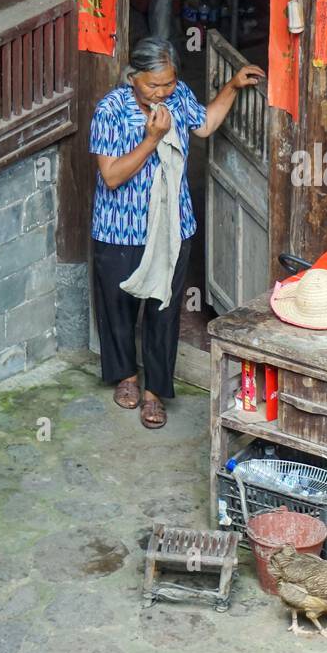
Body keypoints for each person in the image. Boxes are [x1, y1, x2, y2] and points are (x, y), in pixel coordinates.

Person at [89, 36, 264, 429]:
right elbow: (111, 176)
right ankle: (126, 376)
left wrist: (232, 86)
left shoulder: (179, 96)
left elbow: (205, 125)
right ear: (132, 77)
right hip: (119, 227)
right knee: (117, 305)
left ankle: (155, 392)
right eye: (154, 85)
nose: (162, 92)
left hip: (172, 225)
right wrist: (152, 140)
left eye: (168, 83)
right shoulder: (110, 111)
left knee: (163, 310)